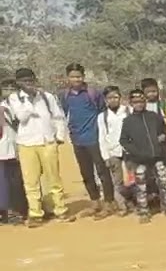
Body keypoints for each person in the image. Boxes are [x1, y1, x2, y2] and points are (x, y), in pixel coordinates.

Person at [5, 68, 72, 226]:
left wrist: (60, 136)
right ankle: (35, 213)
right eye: (25, 81)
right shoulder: (15, 99)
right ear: (19, 83)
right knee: (31, 181)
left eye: (31, 80)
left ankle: (60, 209)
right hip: (27, 143)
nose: (29, 83)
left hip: (48, 142)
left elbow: (58, 116)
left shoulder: (47, 97)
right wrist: (28, 100)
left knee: (54, 179)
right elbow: (21, 117)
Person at [60, 63, 114, 218]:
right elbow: (64, 114)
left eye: (78, 76)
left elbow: (104, 113)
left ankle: (109, 203)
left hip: (95, 139)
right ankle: (95, 202)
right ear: (68, 78)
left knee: (102, 171)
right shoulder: (65, 95)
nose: (76, 79)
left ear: (83, 77)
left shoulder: (93, 93)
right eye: (72, 76)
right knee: (86, 173)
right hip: (77, 140)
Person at [120, 88, 166, 223]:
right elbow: (123, 140)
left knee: (163, 182)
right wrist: (135, 151)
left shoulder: (154, 117)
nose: (139, 104)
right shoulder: (128, 121)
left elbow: (165, 131)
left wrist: (163, 139)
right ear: (131, 103)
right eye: (135, 102)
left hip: (157, 157)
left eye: (141, 101)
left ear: (145, 102)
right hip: (139, 160)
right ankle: (144, 211)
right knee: (141, 186)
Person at [96, 86, 130, 214]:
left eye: (116, 97)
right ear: (105, 100)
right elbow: (102, 137)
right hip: (113, 152)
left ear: (120, 98)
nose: (113, 100)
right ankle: (122, 206)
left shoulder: (128, 111)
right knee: (117, 181)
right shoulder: (102, 117)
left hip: (129, 150)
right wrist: (106, 156)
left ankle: (137, 202)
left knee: (133, 178)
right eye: (110, 98)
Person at [0, 82, 27, 225]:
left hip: (18, 148)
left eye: (13, 89)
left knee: (17, 182)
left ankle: (20, 209)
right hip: (2, 151)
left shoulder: (18, 105)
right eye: (6, 88)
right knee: (3, 183)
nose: (9, 91)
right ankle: (6, 212)